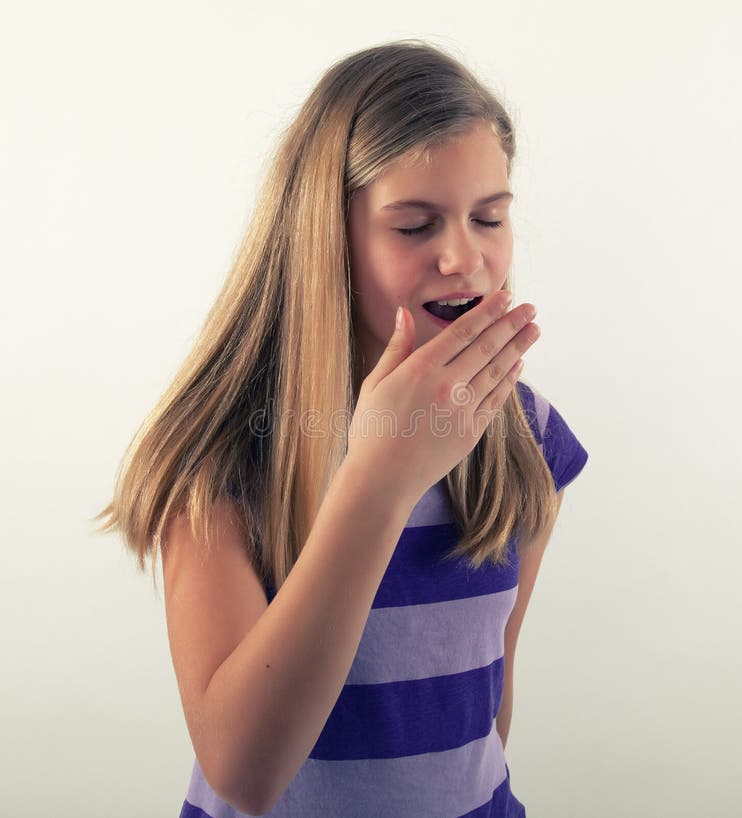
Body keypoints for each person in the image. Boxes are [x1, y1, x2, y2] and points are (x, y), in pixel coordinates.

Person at [93, 38, 588, 817]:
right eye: (415, 226)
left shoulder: (527, 435)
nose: (465, 258)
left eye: (489, 217)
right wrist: (378, 482)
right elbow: (243, 773)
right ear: (328, 236)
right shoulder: (219, 451)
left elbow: (485, 715)